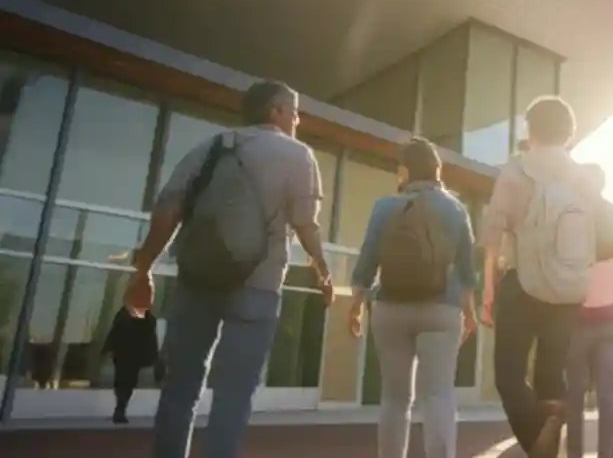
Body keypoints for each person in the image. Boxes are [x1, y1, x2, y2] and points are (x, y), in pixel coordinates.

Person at [125, 80, 333, 458]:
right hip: (258, 284)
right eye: (295, 111)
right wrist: (322, 270)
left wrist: (143, 270)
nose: (298, 120)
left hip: (196, 277)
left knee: (180, 387)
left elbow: (168, 209)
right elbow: (306, 224)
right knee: (234, 396)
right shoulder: (298, 155)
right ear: (276, 111)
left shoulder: (209, 146)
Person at [348, 138, 478, 458]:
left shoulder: (384, 206)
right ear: (437, 170)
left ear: (404, 171)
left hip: (390, 307)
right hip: (441, 308)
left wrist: (356, 304)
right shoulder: (455, 208)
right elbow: (466, 269)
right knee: (438, 395)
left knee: (394, 398)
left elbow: (368, 260)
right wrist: (469, 312)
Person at [481, 96, 585, 458]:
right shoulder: (582, 175)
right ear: (569, 133)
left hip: (521, 283)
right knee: (550, 377)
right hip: (568, 291)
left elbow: (493, 234)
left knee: (508, 376)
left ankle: (537, 436)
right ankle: (550, 434)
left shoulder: (516, 169)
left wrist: (489, 291)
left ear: (531, 129)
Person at [564, 164, 613, 458]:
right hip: (610, 322)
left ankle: (575, 455)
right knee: (609, 397)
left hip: (574, 322)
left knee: (573, 398)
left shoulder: (568, 225)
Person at [102, 306, 161, 424]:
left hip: (127, 356)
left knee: (124, 383)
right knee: (126, 383)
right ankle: (120, 409)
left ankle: (120, 408)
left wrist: (108, 349)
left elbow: (114, 333)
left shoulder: (127, 315)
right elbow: (150, 339)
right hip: (130, 356)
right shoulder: (144, 318)